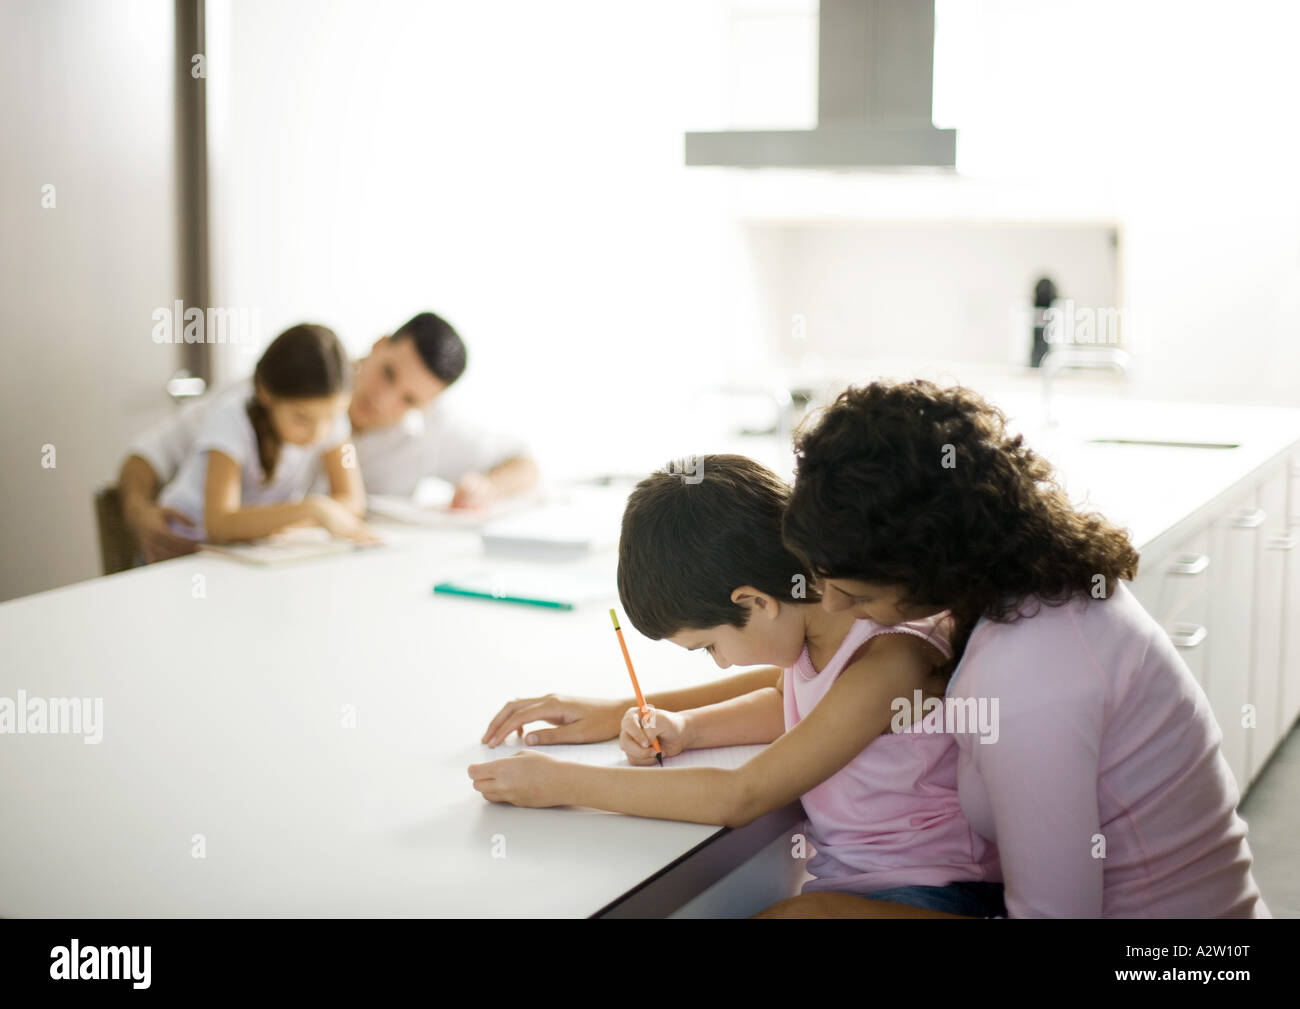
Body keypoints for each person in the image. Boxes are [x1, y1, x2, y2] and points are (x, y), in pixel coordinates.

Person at [763, 378, 1270, 918]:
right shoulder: (1040, 592)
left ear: (927, 563)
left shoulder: (1026, 673)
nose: (835, 607)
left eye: (856, 593)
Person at [469, 454, 1006, 918]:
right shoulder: (820, 634)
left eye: (708, 646)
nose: (719, 666)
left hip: (940, 896)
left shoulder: (890, 661)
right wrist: (668, 723)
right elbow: (785, 701)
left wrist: (562, 784)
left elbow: (738, 796)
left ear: (755, 602)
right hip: (858, 882)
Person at [119, 311, 538, 560]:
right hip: (191, 559)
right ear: (378, 345)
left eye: (409, 399)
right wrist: (136, 510)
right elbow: (154, 459)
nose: (383, 399)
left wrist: (487, 487)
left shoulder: (350, 421)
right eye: (388, 373)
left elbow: (524, 461)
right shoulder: (255, 398)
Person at [156, 323, 378, 545]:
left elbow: (353, 500)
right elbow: (220, 524)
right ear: (265, 393)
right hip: (179, 544)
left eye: (331, 417)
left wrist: (313, 514)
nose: (318, 433)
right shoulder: (232, 419)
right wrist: (313, 510)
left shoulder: (331, 422)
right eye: (301, 418)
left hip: (240, 550)